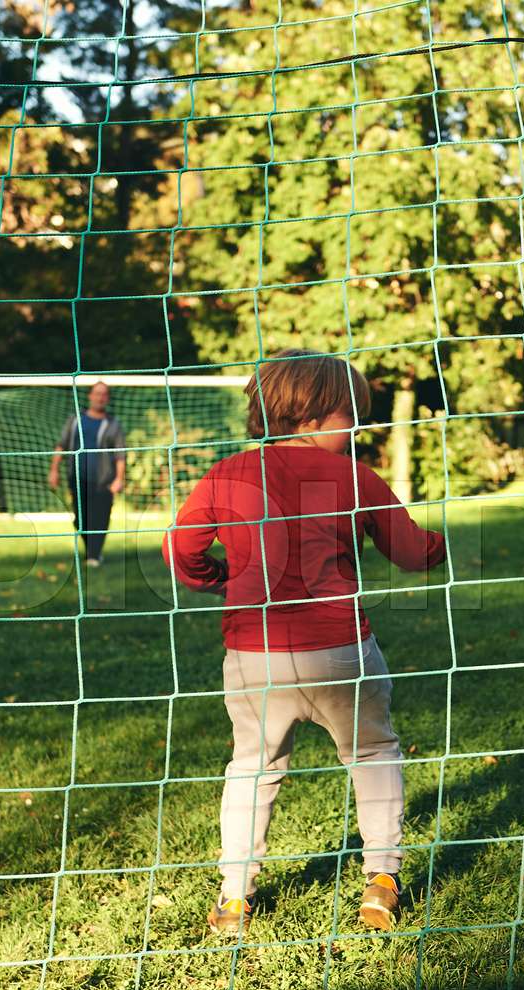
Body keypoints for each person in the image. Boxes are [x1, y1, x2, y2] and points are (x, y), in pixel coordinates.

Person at [161, 350, 445, 935]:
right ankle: (382, 879)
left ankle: (235, 895)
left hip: (253, 654)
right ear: (313, 416)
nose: (357, 428)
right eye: (350, 416)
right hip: (342, 649)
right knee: (372, 753)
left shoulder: (227, 474)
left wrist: (220, 580)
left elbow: (181, 551)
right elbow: (413, 552)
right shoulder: (355, 477)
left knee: (254, 767)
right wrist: (440, 543)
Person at [47, 381, 125, 567]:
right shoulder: (75, 420)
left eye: (104, 394)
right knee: (80, 519)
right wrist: (54, 470)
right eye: (97, 393)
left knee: (100, 518)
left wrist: (119, 478)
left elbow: (120, 453)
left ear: (107, 398)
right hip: (77, 478)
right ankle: (92, 551)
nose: (100, 397)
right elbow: (61, 445)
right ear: (90, 396)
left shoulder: (113, 424)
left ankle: (94, 555)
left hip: (103, 481)